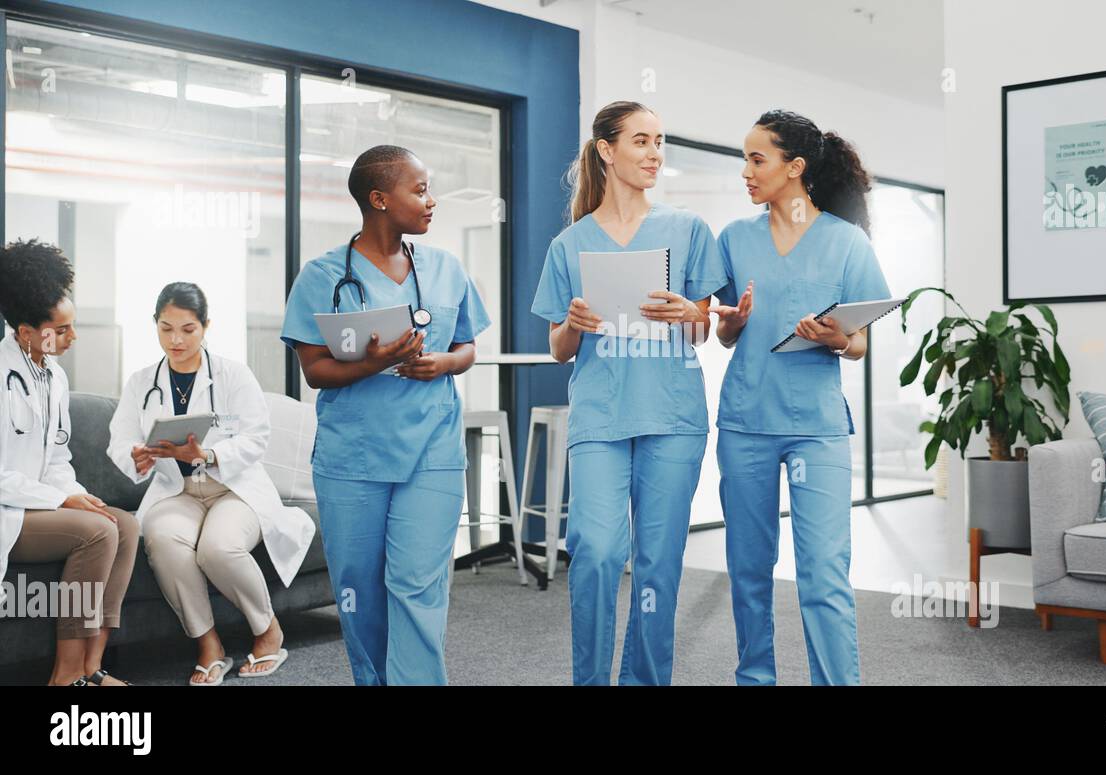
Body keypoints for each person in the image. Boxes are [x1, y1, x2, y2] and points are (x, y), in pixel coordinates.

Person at [531, 101, 728, 685]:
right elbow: (558, 349)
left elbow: (704, 330)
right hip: (599, 414)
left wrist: (692, 310)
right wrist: (573, 322)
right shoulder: (569, 244)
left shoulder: (687, 229)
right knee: (594, 551)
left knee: (657, 565)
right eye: (641, 141)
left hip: (672, 413)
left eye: (659, 142)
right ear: (606, 150)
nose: (654, 154)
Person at [280, 145, 490, 685]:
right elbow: (314, 370)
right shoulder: (324, 276)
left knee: (418, 586)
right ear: (379, 199)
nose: (431, 200)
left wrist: (443, 362)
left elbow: (466, 346)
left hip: (433, 454)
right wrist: (373, 363)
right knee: (359, 592)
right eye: (419, 190)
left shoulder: (445, 268)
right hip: (354, 458)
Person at [710, 110, 891, 685]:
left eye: (756, 159)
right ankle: (755, 678)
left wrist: (839, 337)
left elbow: (859, 344)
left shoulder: (846, 242)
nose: (746, 171)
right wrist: (734, 322)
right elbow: (724, 331)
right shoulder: (734, 239)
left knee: (823, 572)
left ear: (796, 167)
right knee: (749, 570)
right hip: (745, 422)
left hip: (817, 426)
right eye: (744, 158)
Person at [107, 282, 316, 685]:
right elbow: (120, 439)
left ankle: (267, 629)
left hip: (232, 489)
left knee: (218, 549)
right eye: (166, 328)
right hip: (176, 492)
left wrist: (208, 456)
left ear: (205, 327)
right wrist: (136, 454)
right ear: (155, 326)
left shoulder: (233, 375)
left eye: (187, 329)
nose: (176, 339)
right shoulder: (140, 383)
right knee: (164, 540)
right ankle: (208, 644)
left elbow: (256, 437)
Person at [0, 239, 138, 686]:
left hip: (39, 505)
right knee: (97, 531)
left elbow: (58, 456)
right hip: (8, 511)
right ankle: (65, 678)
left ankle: (92, 668)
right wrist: (61, 499)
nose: (72, 337)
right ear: (25, 332)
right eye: (60, 330)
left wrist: (73, 494)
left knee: (125, 524)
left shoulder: (53, 377)